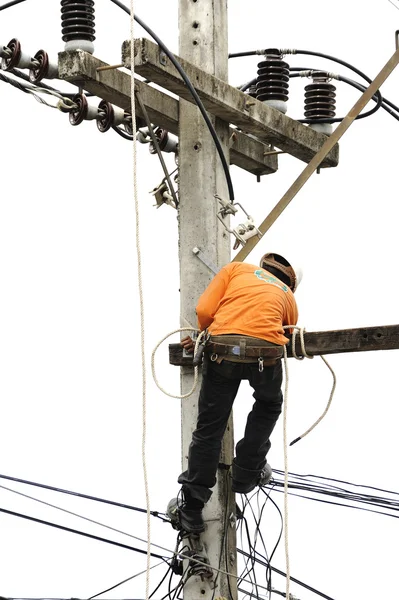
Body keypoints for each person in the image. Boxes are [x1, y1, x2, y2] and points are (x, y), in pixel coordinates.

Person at [172, 253, 300, 534]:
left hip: (222, 352)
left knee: (210, 425)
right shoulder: (287, 295)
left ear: (263, 266)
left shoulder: (236, 270)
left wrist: (204, 336)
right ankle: (245, 473)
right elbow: (288, 331)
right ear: (290, 282)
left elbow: (204, 310)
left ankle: (193, 507)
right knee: (268, 405)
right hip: (264, 355)